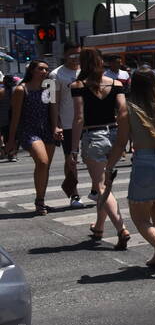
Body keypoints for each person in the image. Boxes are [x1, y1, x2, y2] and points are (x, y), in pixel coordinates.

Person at [104, 70, 155, 274]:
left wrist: (109, 166)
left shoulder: (128, 108)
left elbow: (121, 143)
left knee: (139, 217)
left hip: (144, 163)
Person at [71, 48, 130, 249]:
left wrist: (73, 150)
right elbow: (123, 111)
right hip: (114, 135)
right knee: (106, 186)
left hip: (93, 135)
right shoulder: (116, 83)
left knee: (101, 187)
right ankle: (98, 227)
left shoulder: (78, 85)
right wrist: (123, 139)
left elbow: (79, 118)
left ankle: (121, 228)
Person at [4, 58, 56, 214]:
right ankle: (40, 201)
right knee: (42, 161)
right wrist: (11, 140)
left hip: (47, 129)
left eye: (46, 69)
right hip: (28, 130)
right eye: (41, 68)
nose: (44, 72)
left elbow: (52, 109)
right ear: (32, 70)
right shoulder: (21, 89)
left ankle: (41, 200)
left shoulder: (49, 86)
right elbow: (15, 116)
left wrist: (56, 127)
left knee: (44, 167)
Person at [50, 43, 84, 209]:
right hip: (68, 123)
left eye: (78, 54)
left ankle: (96, 189)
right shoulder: (54, 75)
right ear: (65, 55)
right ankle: (74, 193)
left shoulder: (86, 71)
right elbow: (51, 101)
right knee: (71, 160)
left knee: (95, 157)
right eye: (72, 54)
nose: (75, 58)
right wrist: (56, 124)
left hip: (88, 122)